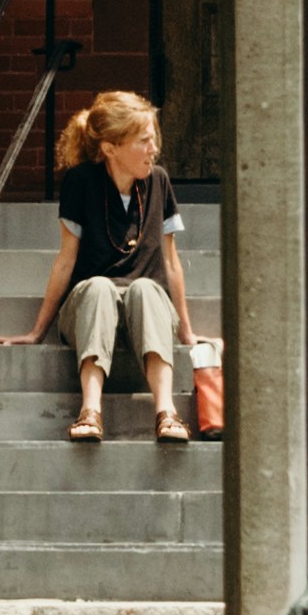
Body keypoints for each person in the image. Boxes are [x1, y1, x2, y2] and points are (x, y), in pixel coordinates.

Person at [14, 89, 208, 444]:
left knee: (148, 288)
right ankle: (91, 410)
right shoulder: (80, 182)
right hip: (92, 304)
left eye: (154, 139)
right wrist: (37, 330)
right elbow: (66, 260)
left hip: (145, 304)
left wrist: (187, 331)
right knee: (99, 286)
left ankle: (166, 412)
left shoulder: (159, 181)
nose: (154, 149)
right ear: (110, 148)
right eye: (144, 141)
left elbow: (170, 261)